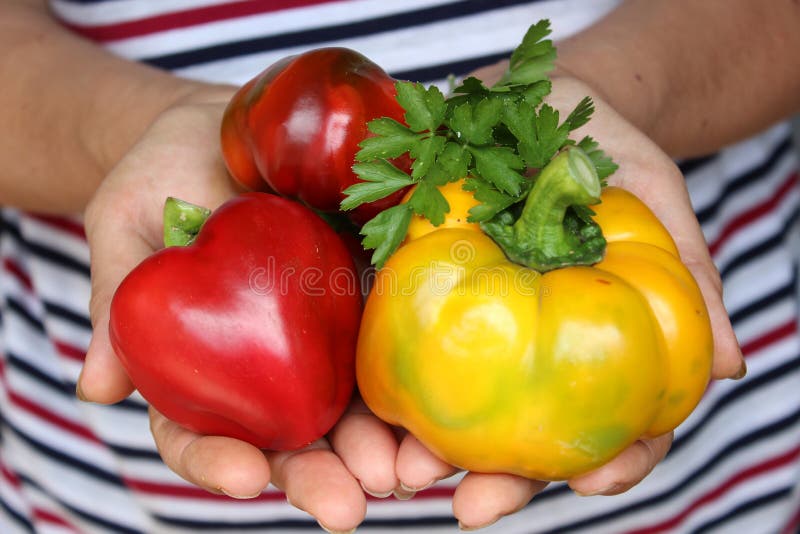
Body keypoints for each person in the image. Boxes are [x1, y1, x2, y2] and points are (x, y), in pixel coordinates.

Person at [0, 0, 798, 532]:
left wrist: (613, 88)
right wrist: (125, 130)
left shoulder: (436, 208)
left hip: (719, 486)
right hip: (108, 495)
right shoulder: (402, 210)